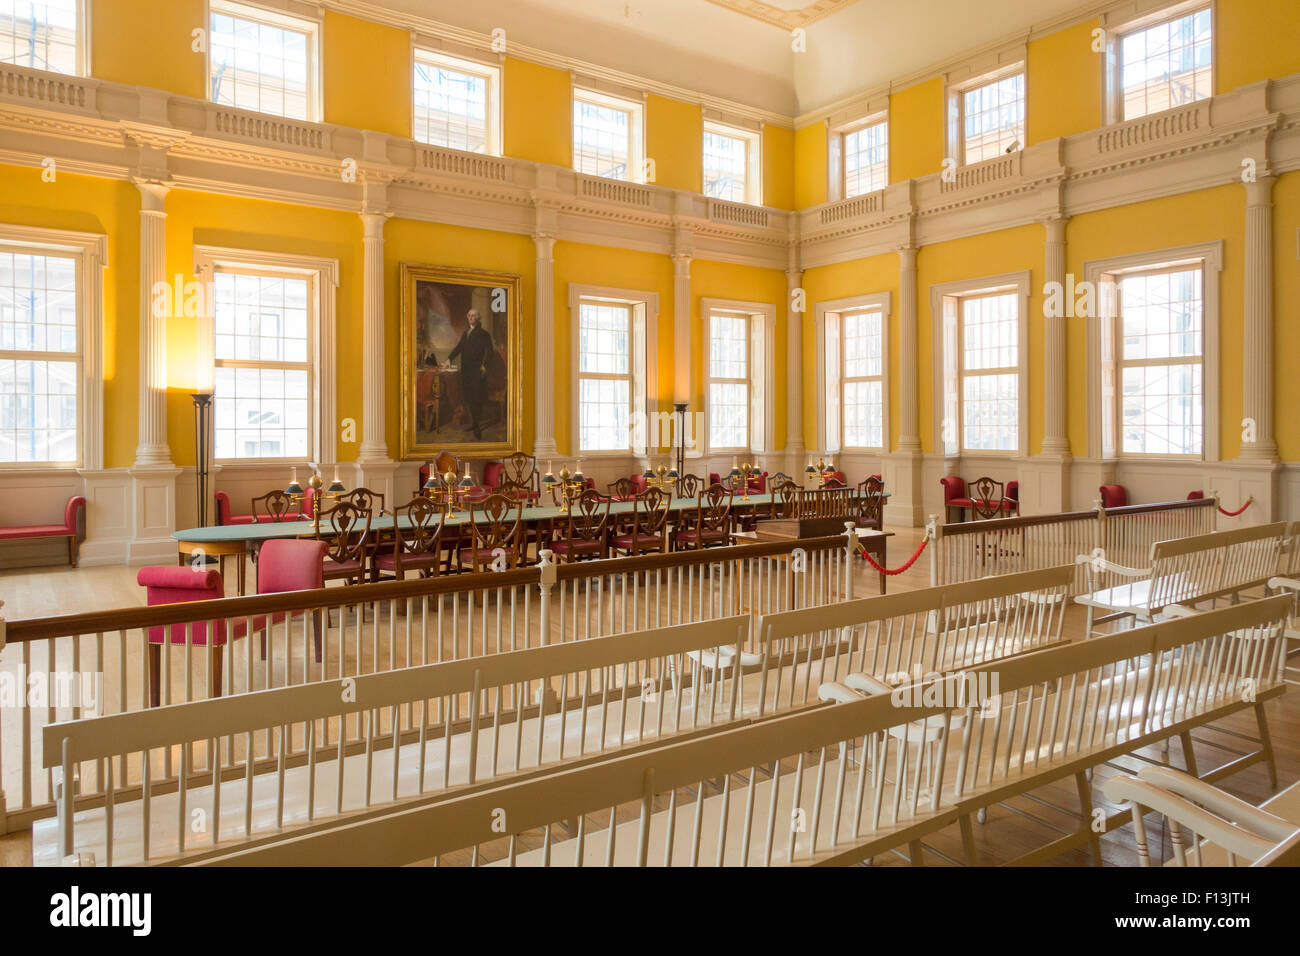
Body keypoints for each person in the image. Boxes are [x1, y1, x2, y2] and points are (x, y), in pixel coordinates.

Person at [446, 308, 492, 440]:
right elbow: (459, 348)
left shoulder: (484, 334)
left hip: (477, 371)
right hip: (466, 371)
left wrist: (485, 366)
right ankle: (474, 423)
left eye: (474, 316)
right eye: (469, 316)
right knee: (470, 398)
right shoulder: (466, 333)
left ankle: (477, 427)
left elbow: (490, 352)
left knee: (477, 399)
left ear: (478, 318)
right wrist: (449, 358)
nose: (471, 318)